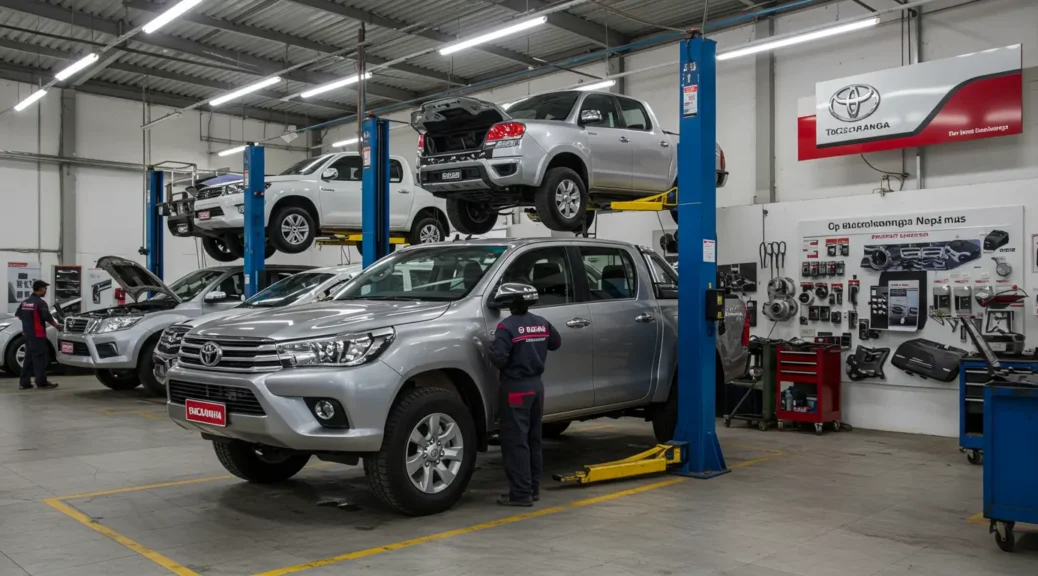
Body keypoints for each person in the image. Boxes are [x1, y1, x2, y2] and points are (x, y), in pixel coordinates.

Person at [489, 288, 561, 507]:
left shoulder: (506, 327)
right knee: (533, 440)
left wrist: (487, 349)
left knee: (515, 442)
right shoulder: (542, 322)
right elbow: (556, 343)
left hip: (516, 389)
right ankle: (533, 489)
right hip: (537, 387)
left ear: (510, 306)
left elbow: (499, 359)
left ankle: (520, 494)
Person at [15, 280, 60, 390]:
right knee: (40, 358)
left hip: (28, 335)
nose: (46, 290)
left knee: (28, 358)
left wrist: (27, 325)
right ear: (40, 289)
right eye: (45, 288)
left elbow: (18, 315)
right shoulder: (40, 303)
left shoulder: (25, 302)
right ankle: (41, 382)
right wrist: (57, 326)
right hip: (38, 335)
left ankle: (24, 383)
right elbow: (47, 317)